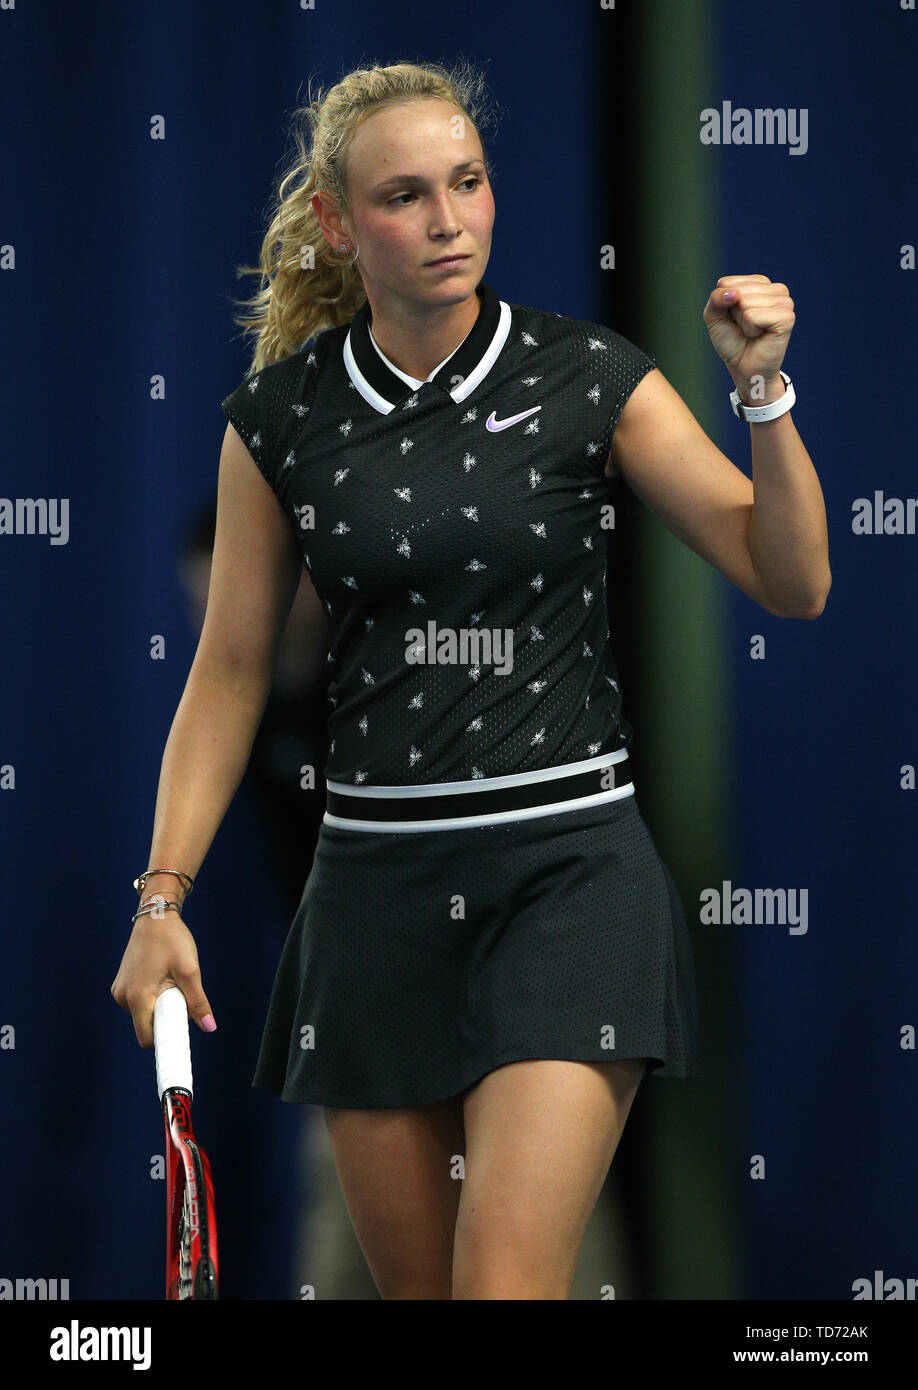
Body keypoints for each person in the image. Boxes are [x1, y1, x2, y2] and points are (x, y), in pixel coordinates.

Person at [110, 58, 830, 1301]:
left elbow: (792, 579)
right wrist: (162, 899)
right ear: (339, 221)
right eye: (404, 196)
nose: (448, 221)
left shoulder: (591, 376)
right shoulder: (274, 421)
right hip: (372, 905)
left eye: (470, 183)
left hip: (570, 882)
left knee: (504, 1284)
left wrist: (763, 388)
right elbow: (225, 677)